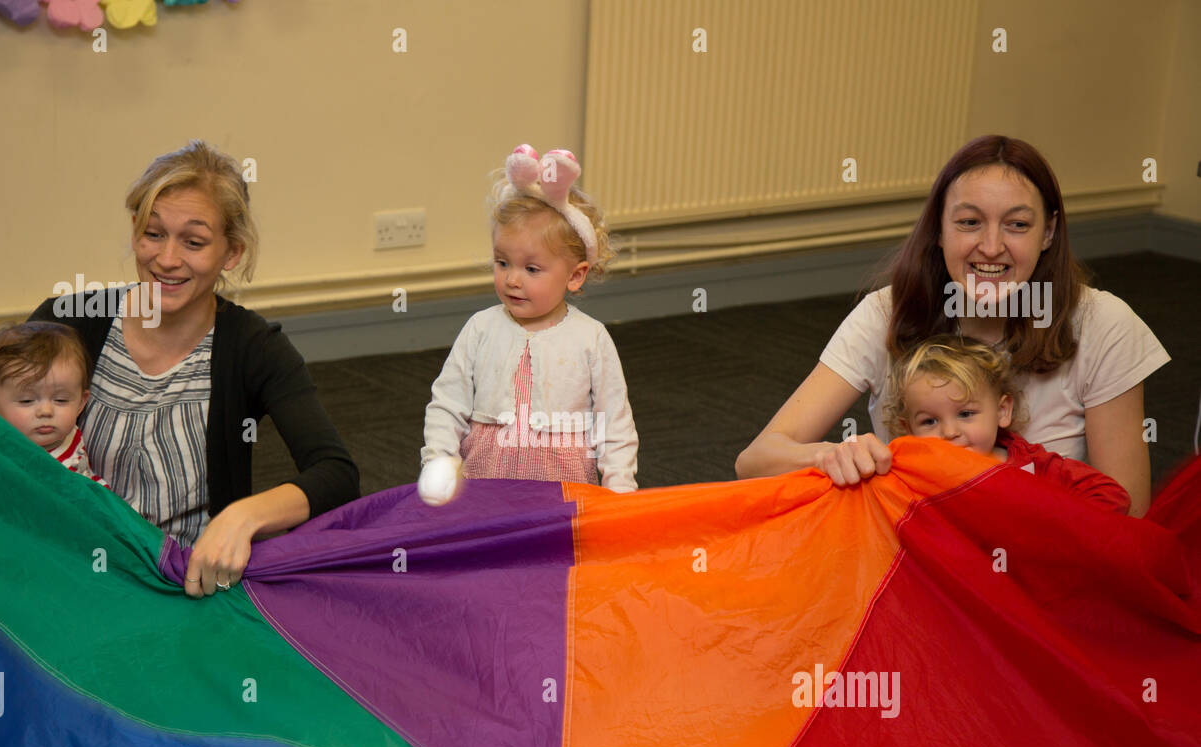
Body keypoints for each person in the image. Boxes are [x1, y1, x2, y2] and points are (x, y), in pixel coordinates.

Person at [735, 135, 1169, 517]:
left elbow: (1128, 515)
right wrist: (833, 454)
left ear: (1049, 233)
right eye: (969, 223)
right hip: (915, 564)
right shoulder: (886, 314)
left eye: (1017, 225)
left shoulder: (1104, 324)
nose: (992, 247)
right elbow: (755, 461)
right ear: (939, 230)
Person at [30, 141, 359, 597]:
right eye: (154, 233)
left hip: (186, 586)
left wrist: (243, 516)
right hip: (66, 573)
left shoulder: (252, 347)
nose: (167, 259)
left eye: (194, 241)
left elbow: (335, 473)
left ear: (231, 253)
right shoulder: (70, 321)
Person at [421, 145, 639, 492]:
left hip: (562, 491)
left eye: (532, 268)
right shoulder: (481, 328)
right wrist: (439, 460)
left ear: (575, 275)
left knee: (556, 549)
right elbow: (448, 404)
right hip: (484, 486)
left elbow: (614, 423)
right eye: (502, 263)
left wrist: (619, 491)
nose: (512, 279)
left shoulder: (591, 338)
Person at [885, 335, 1130, 514]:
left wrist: (1055, 525)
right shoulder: (909, 478)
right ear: (909, 430)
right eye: (929, 421)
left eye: (966, 414)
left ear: (1002, 411)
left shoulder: (1034, 466)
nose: (949, 433)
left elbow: (1112, 495)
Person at [0, 321, 108, 487]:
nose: (46, 411)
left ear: (81, 402)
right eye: (27, 401)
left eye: (61, 400)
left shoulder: (68, 435)